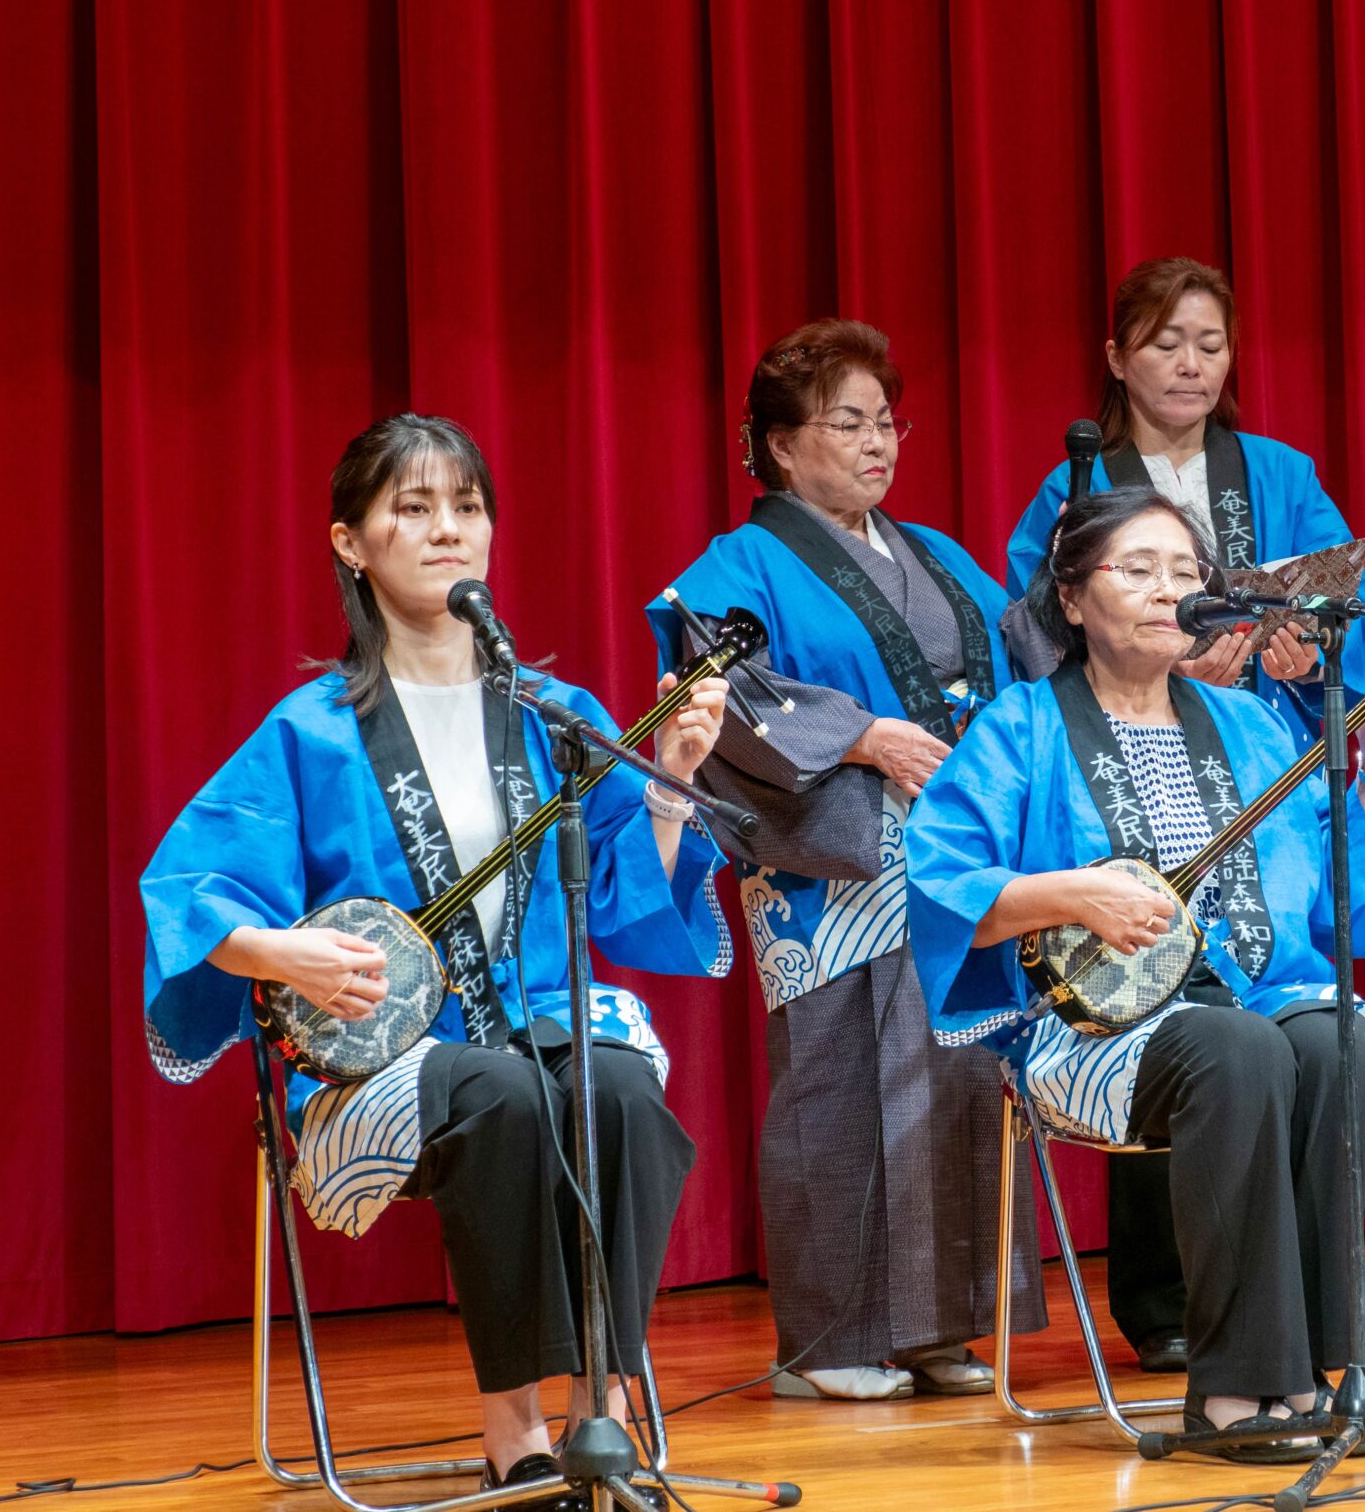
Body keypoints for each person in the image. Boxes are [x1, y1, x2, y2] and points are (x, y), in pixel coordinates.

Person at [140, 414, 731, 1496]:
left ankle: (601, 1413)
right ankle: (514, 1425)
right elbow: (191, 895)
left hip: (544, 1025)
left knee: (620, 1093)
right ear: (350, 543)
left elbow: (619, 898)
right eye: (412, 509)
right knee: (506, 1093)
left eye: (466, 506)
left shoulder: (555, 716)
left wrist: (672, 783)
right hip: (385, 1065)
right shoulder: (313, 730)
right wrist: (288, 957)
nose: (448, 529)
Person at [907, 485, 1365, 1461]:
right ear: (1073, 599)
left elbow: (1334, 892)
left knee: (1338, 1045)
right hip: (1094, 1031)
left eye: (1186, 572)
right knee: (1238, 1049)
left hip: (1256, 1001)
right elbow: (942, 885)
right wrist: (1073, 895)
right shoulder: (1021, 726)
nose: (1168, 590)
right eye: (1138, 569)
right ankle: (1234, 1387)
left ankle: (1320, 1363)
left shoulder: (1250, 726)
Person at [1002, 255, 1365, 1368]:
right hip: (1118, 764)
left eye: (1210, 344)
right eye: (1165, 342)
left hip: (1245, 752)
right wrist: (1157, 660)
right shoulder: (1075, 486)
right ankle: (1171, 1304)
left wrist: (1297, 651)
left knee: (1306, 1026)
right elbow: (1033, 631)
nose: (1189, 364)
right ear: (1117, 357)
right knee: (1174, 1009)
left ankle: (1309, 1321)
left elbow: (1346, 619)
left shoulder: (1278, 472)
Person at [649, 320, 1042, 1401]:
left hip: (954, 855)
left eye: (886, 422)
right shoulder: (734, 569)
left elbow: (1025, 654)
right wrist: (863, 735)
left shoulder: (937, 554)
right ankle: (826, 1343)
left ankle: (938, 1326)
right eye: (848, 422)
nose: (878, 443)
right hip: (832, 864)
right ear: (779, 446)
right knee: (836, 1085)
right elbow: (720, 691)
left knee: (958, 1071)